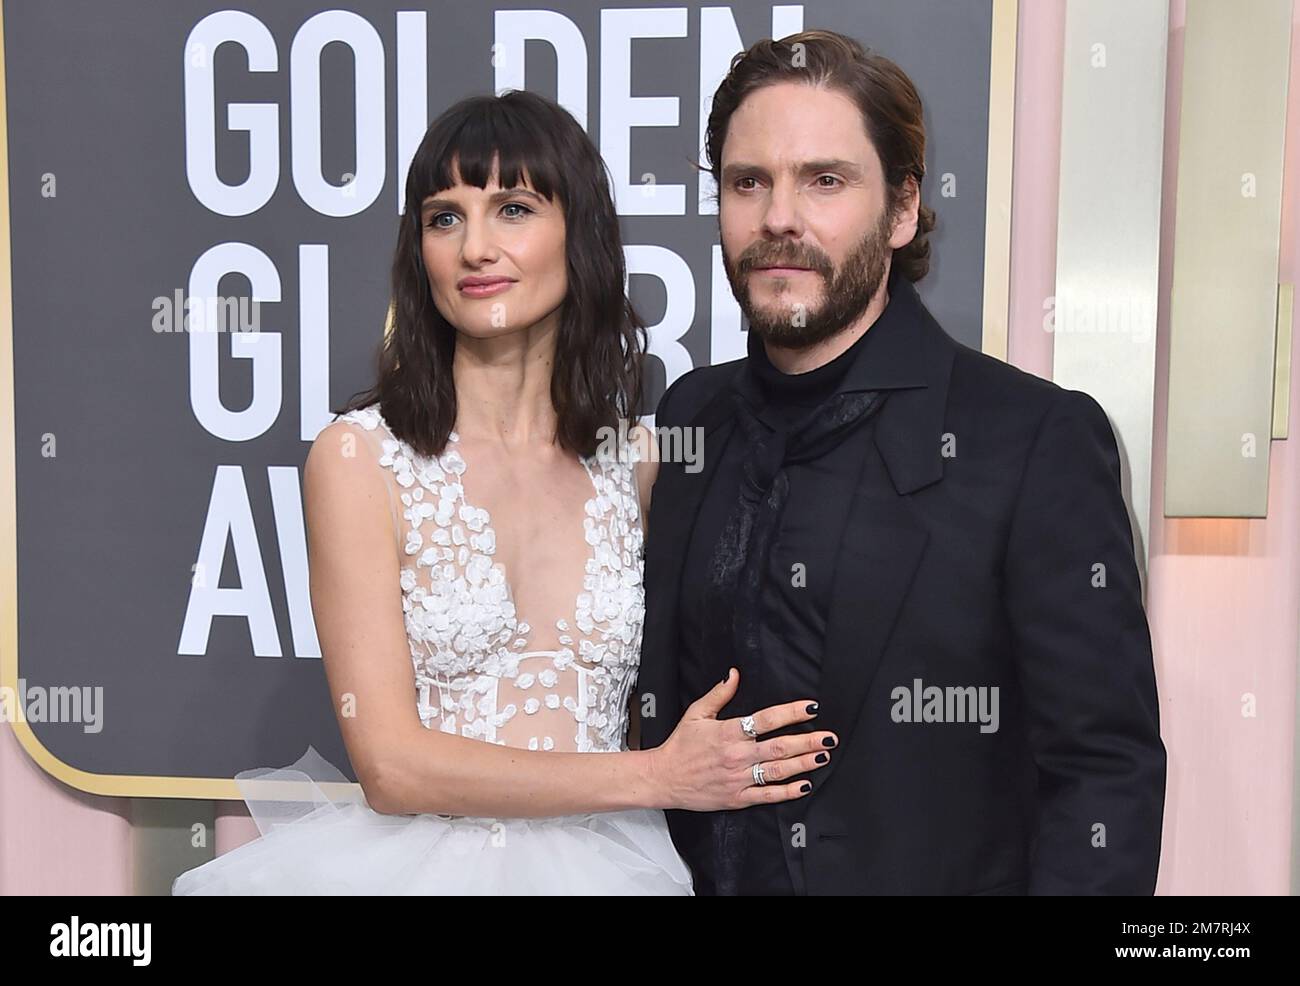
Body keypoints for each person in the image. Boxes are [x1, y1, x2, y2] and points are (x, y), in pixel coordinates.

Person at [172, 89, 836, 896]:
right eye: (444, 217)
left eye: (513, 209)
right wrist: (657, 778)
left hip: (621, 869)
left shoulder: (642, 460)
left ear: (579, 234)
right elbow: (391, 767)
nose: (474, 248)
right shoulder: (358, 458)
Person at [635, 30, 1167, 895]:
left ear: (903, 208)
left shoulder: (1033, 438)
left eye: (825, 181)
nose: (778, 217)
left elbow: (1103, 771)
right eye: (748, 183)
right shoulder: (692, 417)